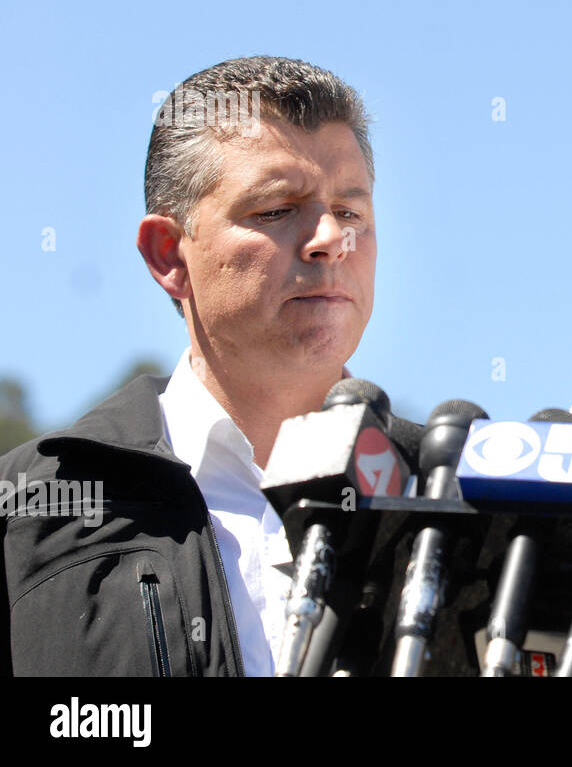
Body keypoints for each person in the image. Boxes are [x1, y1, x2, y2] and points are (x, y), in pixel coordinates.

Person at [0, 56, 377, 674]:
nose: (330, 239)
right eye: (277, 210)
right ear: (169, 254)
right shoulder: (30, 515)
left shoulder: (459, 508)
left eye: (351, 211)